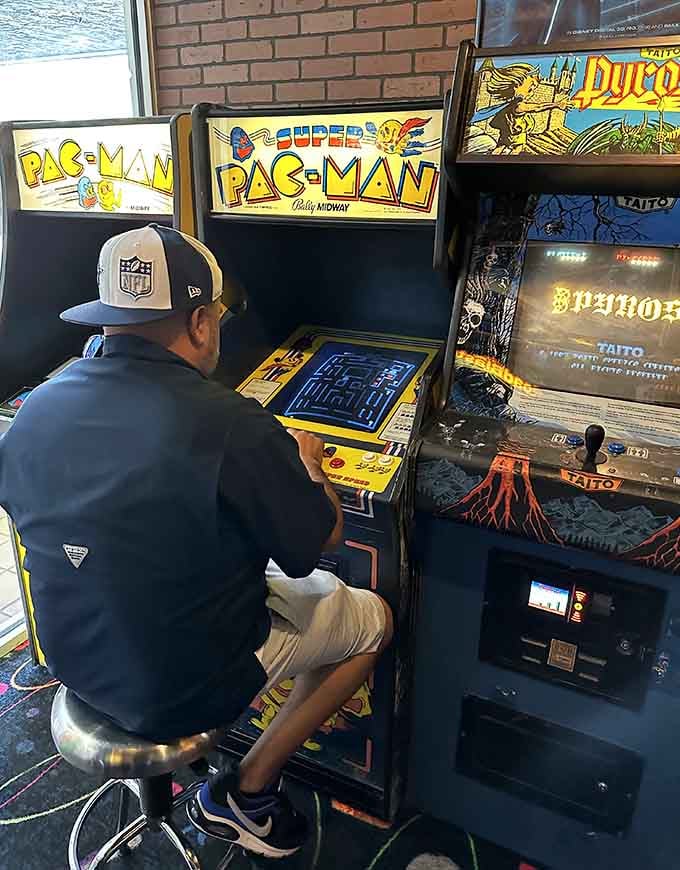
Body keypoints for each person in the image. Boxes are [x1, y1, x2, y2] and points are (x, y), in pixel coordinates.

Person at [0, 224, 392, 859]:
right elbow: (317, 541)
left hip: (69, 657)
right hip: (182, 685)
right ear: (202, 321)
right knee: (371, 621)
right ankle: (248, 795)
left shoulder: (35, 409)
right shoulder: (232, 425)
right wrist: (309, 463)